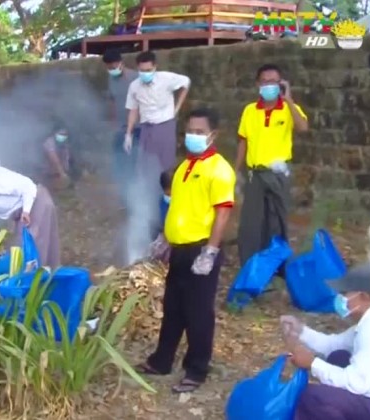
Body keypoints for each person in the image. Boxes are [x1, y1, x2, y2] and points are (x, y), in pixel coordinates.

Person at [135, 108, 235, 393]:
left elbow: (223, 214)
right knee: (173, 308)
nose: (193, 136)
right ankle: (162, 360)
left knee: (199, 313)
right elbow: (177, 208)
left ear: (213, 135)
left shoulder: (219, 169)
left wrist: (211, 252)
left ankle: (197, 369)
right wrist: (165, 239)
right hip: (179, 250)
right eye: (190, 130)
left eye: (200, 132)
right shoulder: (183, 169)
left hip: (201, 250)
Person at [281, 265, 370, 419]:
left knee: (314, 397)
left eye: (345, 293)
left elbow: (355, 383)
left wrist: (312, 363)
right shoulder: (369, 321)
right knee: (338, 357)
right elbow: (331, 345)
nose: (341, 298)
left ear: (364, 296)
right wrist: (300, 331)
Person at [235, 64, 308, 269]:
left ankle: (279, 264)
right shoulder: (250, 111)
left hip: (278, 173)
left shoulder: (288, 108)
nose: (269, 86)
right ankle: (249, 264)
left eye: (274, 82)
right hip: (255, 173)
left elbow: (302, 127)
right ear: (258, 84)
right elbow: (243, 141)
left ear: (281, 84)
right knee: (251, 222)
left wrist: (289, 100)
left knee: (278, 219)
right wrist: (235, 170)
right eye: (265, 82)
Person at [124, 51, 190, 174]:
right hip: (146, 127)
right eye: (142, 71)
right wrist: (128, 134)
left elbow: (186, 82)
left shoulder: (166, 78)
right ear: (138, 68)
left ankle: (165, 191)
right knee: (145, 164)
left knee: (166, 164)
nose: (145, 73)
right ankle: (148, 190)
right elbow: (133, 110)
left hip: (165, 124)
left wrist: (177, 107)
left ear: (155, 67)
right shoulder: (134, 86)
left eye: (148, 70)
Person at [102, 49, 138, 205]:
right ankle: (126, 198)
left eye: (113, 66)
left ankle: (138, 198)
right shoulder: (111, 80)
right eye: (108, 67)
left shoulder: (135, 78)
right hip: (120, 129)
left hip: (138, 129)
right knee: (119, 163)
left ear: (121, 63)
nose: (111, 70)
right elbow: (111, 101)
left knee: (135, 164)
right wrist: (112, 122)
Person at [42, 123, 75, 187]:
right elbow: (55, 160)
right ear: (55, 133)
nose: (63, 136)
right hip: (50, 175)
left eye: (65, 135)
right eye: (60, 134)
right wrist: (62, 173)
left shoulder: (64, 143)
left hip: (62, 173)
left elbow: (67, 157)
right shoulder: (49, 143)